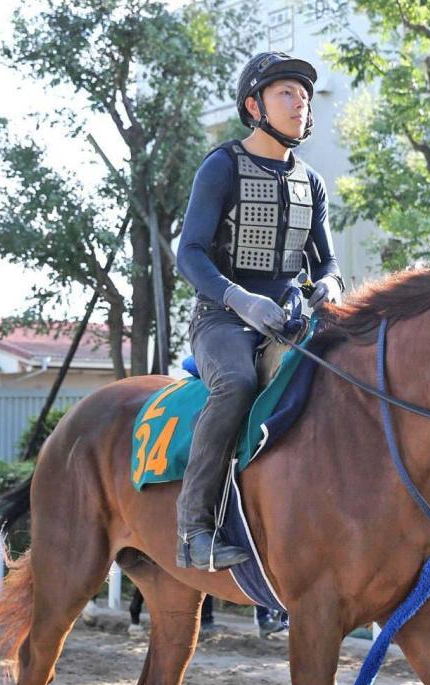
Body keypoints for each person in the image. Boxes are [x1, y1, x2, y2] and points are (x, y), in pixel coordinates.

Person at [175, 51, 345, 570]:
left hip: (291, 321)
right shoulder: (222, 166)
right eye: (286, 94)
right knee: (238, 385)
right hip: (222, 319)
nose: (301, 103)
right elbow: (189, 254)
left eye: (305, 95)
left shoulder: (311, 182)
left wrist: (332, 285)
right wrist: (240, 299)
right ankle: (194, 529)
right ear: (255, 105)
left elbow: (327, 260)